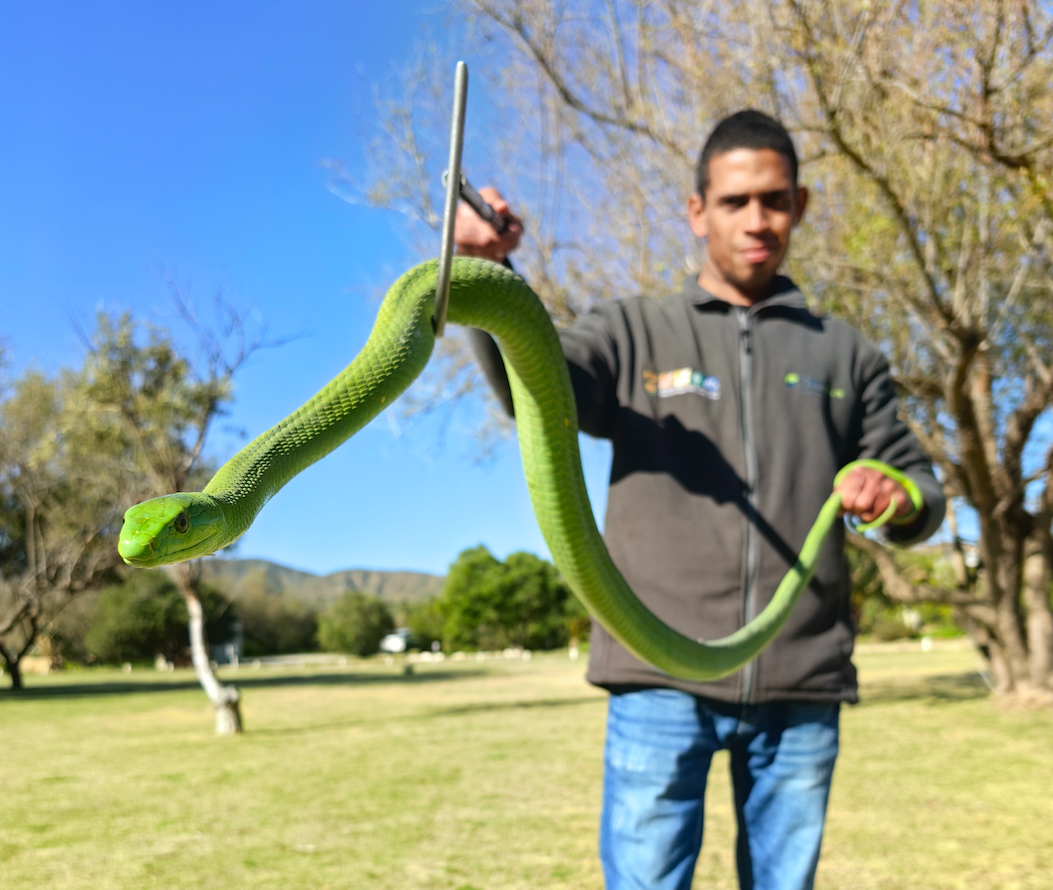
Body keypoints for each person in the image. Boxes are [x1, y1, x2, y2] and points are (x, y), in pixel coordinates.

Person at [455, 110, 945, 890]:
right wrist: (489, 278)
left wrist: (895, 497)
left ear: (801, 206)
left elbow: (919, 488)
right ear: (696, 211)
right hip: (656, 679)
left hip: (801, 681)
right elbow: (537, 389)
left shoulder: (844, 351)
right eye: (734, 201)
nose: (757, 220)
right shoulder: (632, 331)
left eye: (775, 200)